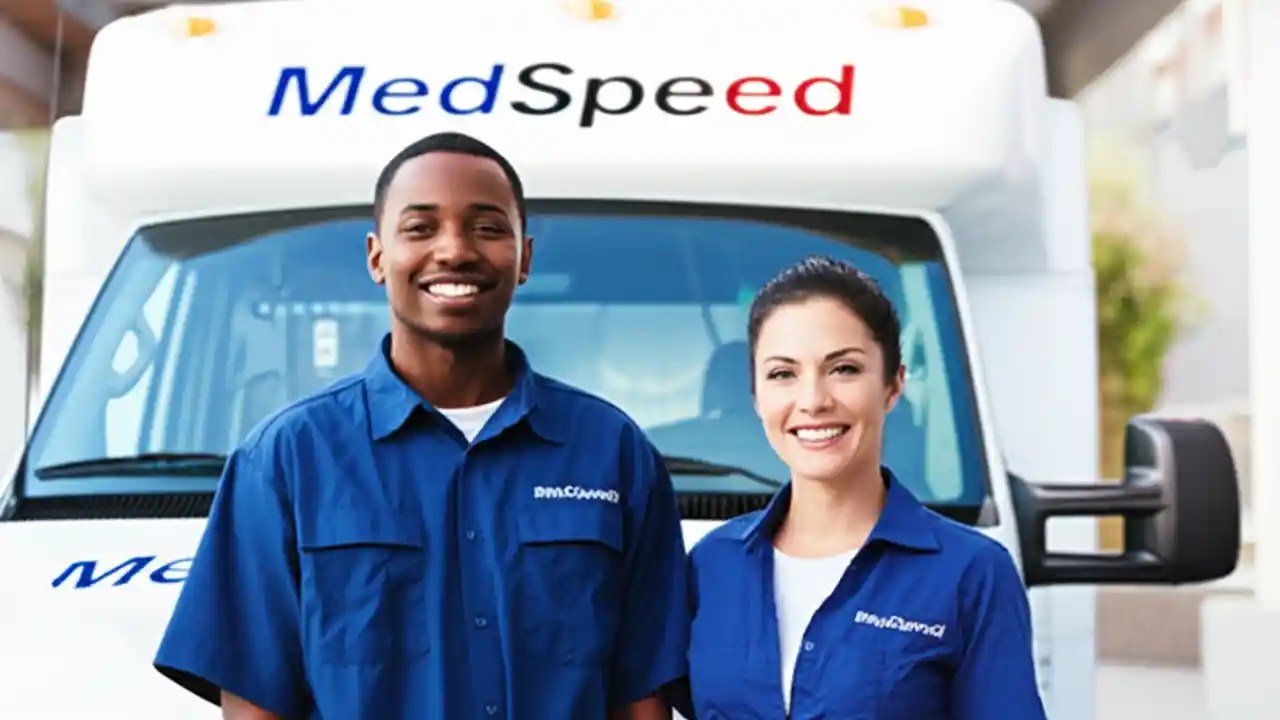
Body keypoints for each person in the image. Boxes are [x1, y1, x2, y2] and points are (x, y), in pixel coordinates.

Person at [152, 131, 690, 719]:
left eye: (487, 227)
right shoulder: (286, 460)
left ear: (525, 257)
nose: (455, 250)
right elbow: (256, 705)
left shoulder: (613, 453)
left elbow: (641, 701)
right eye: (420, 228)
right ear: (377, 257)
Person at [678, 256, 1046, 719]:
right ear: (756, 396)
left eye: (844, 369)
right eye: (782, 374)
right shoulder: (712, 564)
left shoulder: (971, 571)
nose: (812, 400)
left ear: (893, 386)